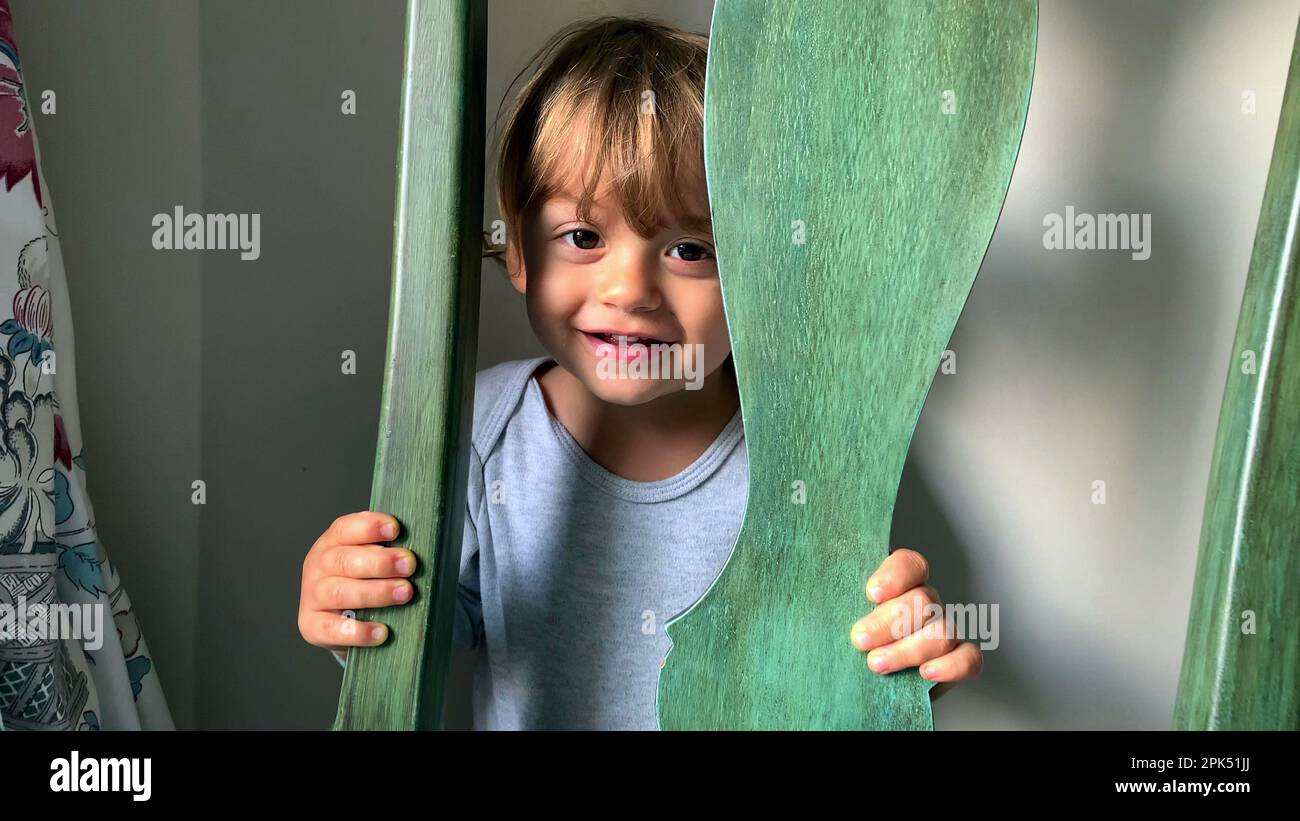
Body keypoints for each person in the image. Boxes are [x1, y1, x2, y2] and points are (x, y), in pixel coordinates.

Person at [297, 15, 983, 730]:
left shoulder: (801, 454)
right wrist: (352, 602)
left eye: (690, 249)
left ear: (760, 276)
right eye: (583, 237)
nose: (630, 290)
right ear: (521, 251)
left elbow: (836, 670)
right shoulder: (479, 429)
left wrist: (900, 668)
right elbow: (427, 638)